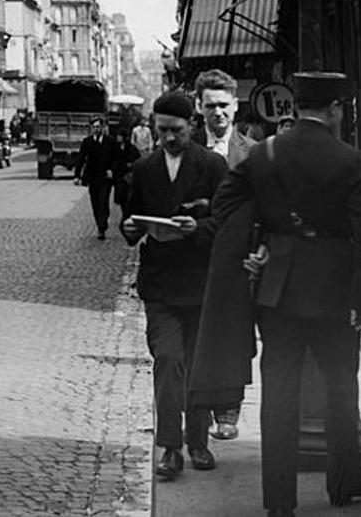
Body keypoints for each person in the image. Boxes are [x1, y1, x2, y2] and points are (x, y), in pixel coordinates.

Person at [212, 72, 361, 517]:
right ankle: (346, 481)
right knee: (341, 388)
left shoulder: (265, 153)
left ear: (296, 107)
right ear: (334, 109)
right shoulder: (350, 159)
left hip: (279, 288)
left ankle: (278, 502)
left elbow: (225, 204)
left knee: (280, 396)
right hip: (334, 292)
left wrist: (259, 241)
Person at [119, 91, 228, 483]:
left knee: (198, 365)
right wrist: (129, 229)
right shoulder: (145, 169)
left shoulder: (213, 166)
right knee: (168, 360)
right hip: (161, 285)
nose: (168, 138)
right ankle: (169, 447)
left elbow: (226, 221)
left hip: (201, 283)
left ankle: (198, 441)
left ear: (192, 126)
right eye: (161, 130)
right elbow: (131, 218)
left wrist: (198, 228)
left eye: (176, 131)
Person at [191, 66, 254, 440]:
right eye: (210, 106)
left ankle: (229, 410)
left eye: (224, 106)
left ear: (235, 107)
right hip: (196, 259)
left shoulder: (251, 153)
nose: (218, 113)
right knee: (200, 335)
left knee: (234, 337)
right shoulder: (188, 150)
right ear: (199, 107)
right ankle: (201, 413)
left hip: (236, 261)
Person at [80, 117, 125, 240]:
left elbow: (118, 158)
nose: (96, 129)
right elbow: (81, 158)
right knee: (95, 202)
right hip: (92, 177)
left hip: (106, 177)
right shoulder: (87, 142)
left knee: (103, 200)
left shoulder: (110, 142)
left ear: (103, 128)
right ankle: (100, 223)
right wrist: (77, 175)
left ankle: (102, 225)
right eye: (94, 127)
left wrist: (112, 170)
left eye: (98, 127)